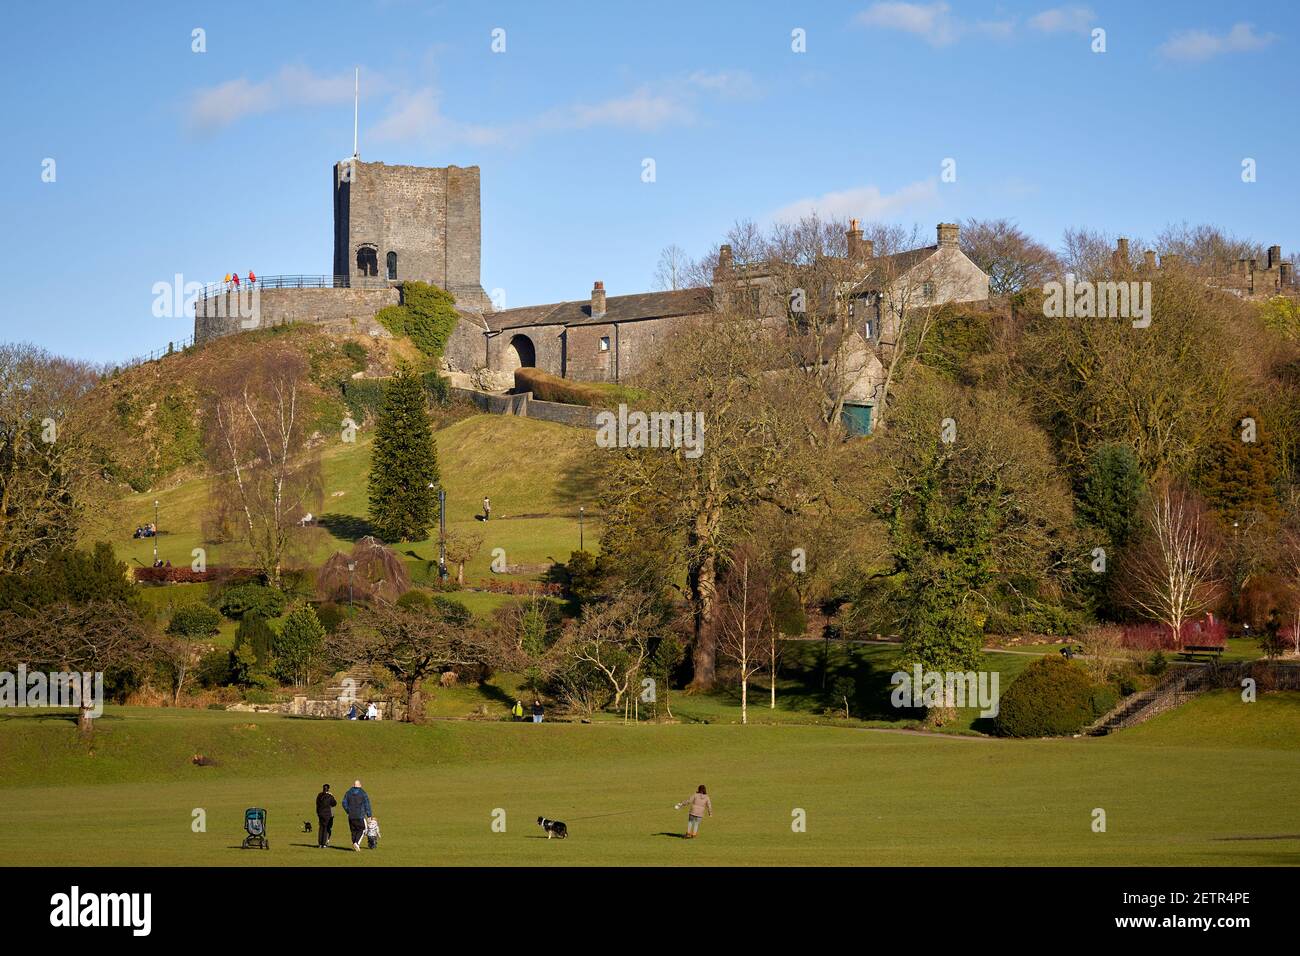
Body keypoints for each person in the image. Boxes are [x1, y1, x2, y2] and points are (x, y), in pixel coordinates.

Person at [342, 779, 372, 851]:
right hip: (360, 815)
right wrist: (369, 815)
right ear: (360, 785)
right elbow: (367, 804)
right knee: (362, 829)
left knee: (353, 830)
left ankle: (354, 843)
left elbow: (344, 803)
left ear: (353, 785)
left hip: (351, 815)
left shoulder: (348, 793)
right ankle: (357, 843)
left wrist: (348, 811)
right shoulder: (363, 793)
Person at [315, 783, 336, 848]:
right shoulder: (329, 796)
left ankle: (320, 843)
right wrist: (332, 796)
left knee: (321, 828)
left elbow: (317, 804)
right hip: (327, 814)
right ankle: (324, 843)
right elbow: (334, 803)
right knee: (326, 828)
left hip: (320, 813)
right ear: (328, 789)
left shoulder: (319, 795)